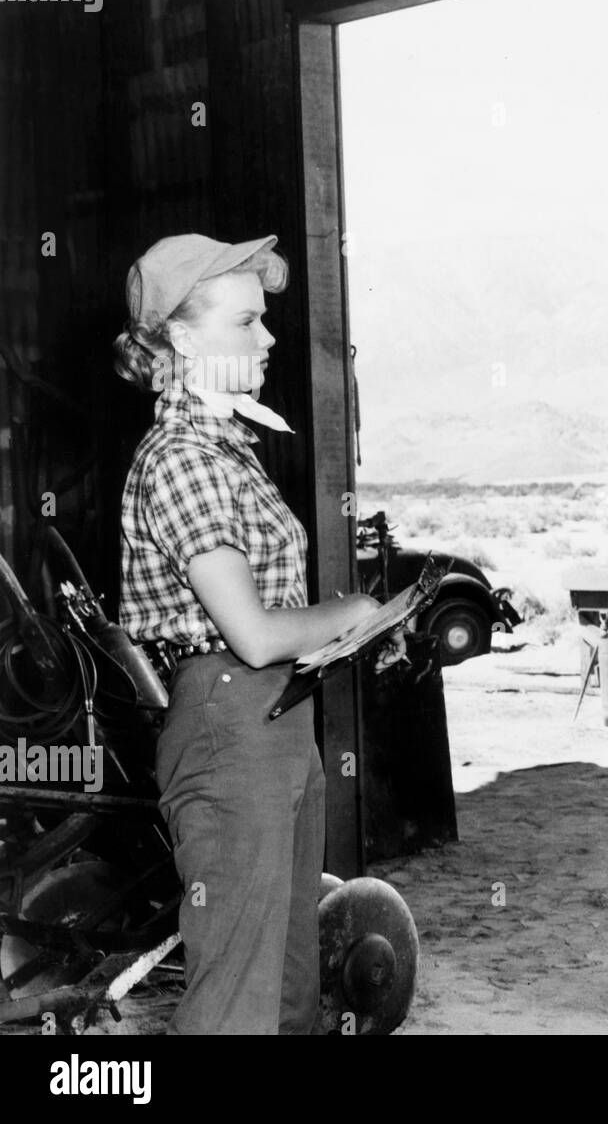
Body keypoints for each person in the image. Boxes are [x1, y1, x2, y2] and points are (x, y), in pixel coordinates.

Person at [115, 233, 403, 1034]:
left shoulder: (227, 448)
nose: (268, 337)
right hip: (229, 723)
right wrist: (347, 614)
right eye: (246, 322)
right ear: (181, 337)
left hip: (277, 722)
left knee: (285, 988)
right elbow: (249, 631)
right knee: (235, 997)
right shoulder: (180, 458)